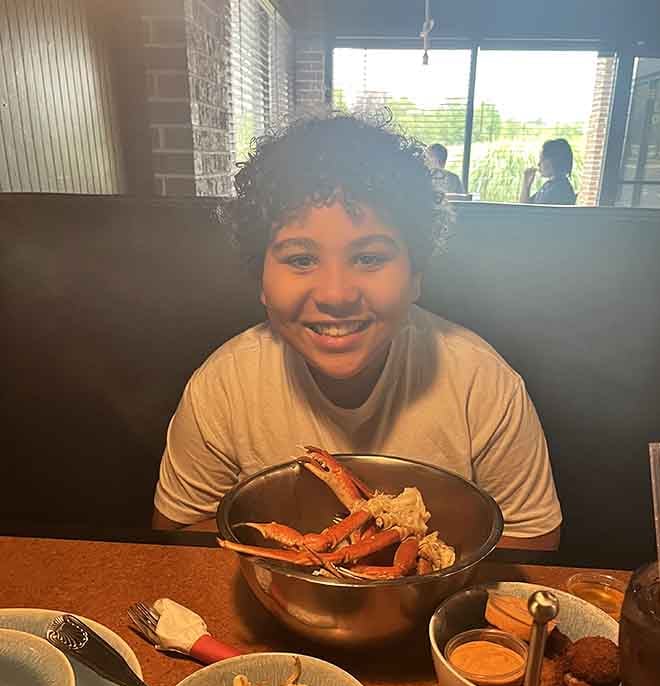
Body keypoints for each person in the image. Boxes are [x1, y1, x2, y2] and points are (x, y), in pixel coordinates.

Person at [153, 113, 561, 549]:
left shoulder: (481, 383)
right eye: (300, 259)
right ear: (262, 282)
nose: (336, 294)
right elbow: (177, 535)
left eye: (368, 258)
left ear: (416, 275)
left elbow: (532, 542)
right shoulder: (224, 385)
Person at [520, 138, 577, 206]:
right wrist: (526, 184)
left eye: (542, 159)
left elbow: (525, 212)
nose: (538, 164)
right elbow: (524, 208)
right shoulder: (549, 186)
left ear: (554, 161)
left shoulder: (558, 191)